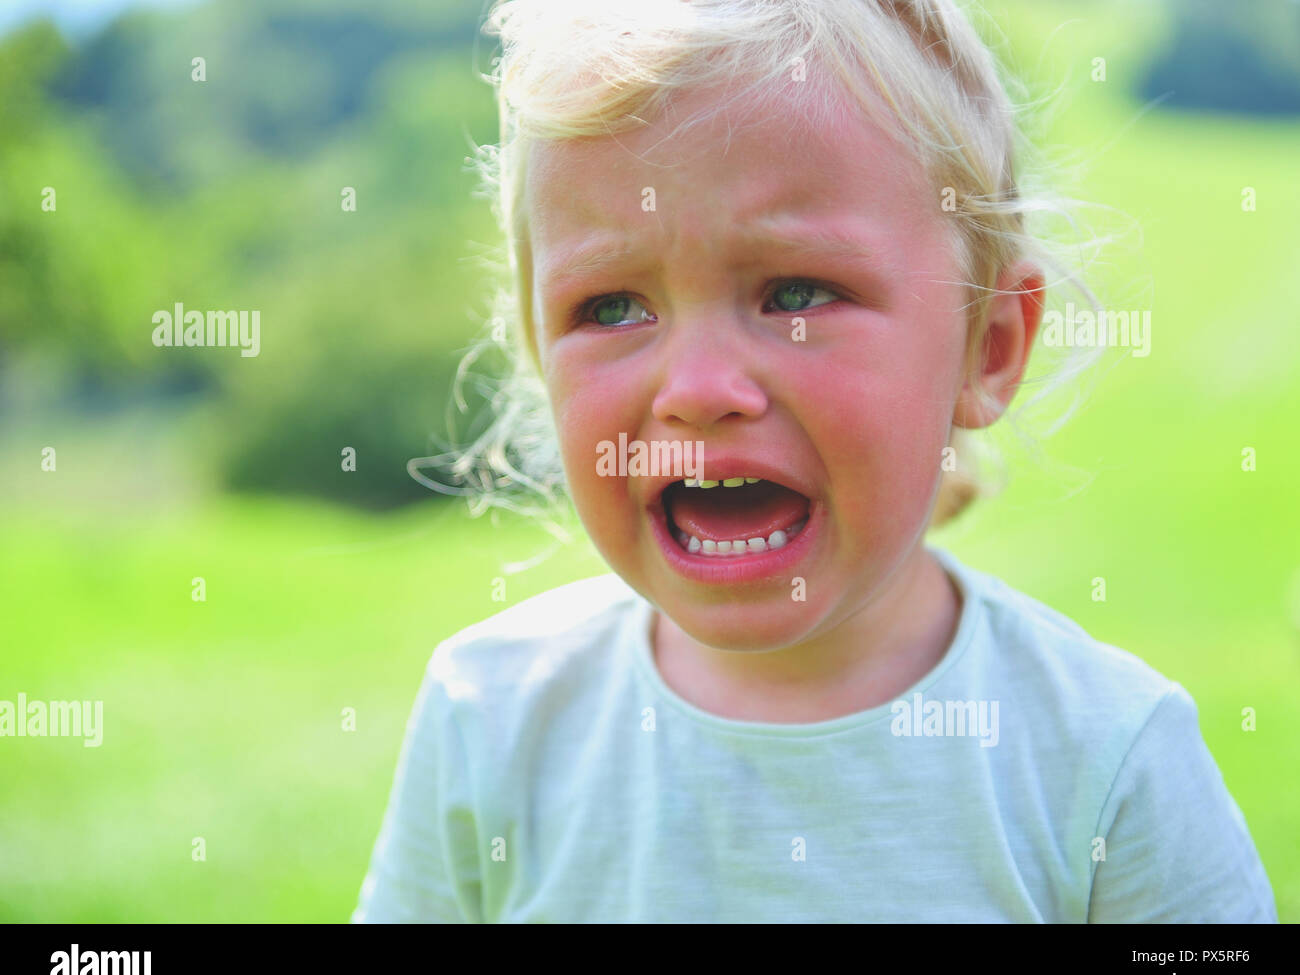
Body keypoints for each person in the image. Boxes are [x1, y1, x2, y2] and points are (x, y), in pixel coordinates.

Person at [352, 0, 1277, 922]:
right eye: (612, 307)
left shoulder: (1104, 756)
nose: (700, 387)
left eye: (795, 292)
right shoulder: (492, 717)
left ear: (986, 345)